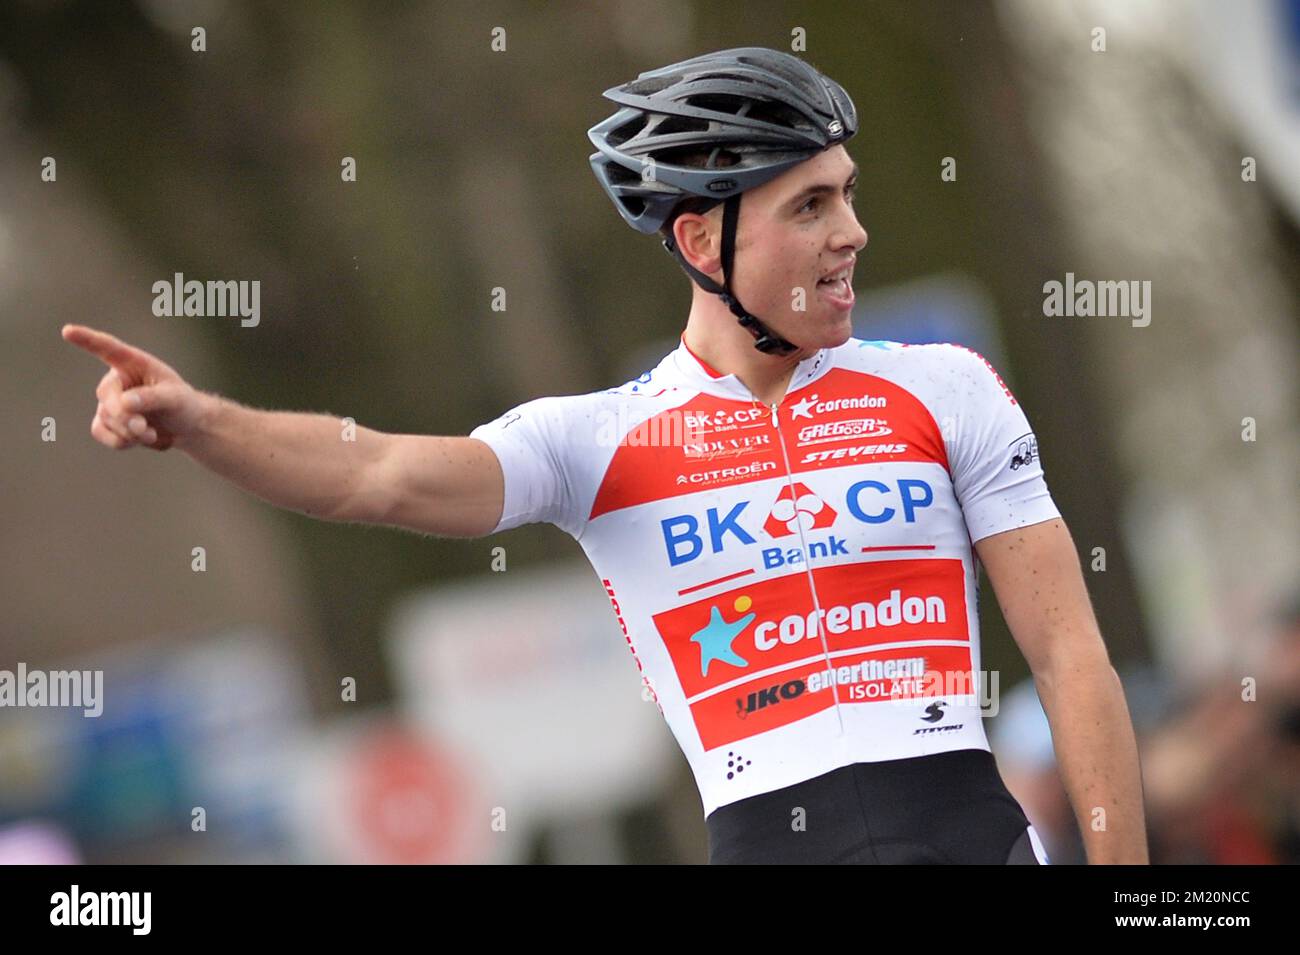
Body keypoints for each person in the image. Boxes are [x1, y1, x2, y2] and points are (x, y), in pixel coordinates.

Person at [63, 47, 1147, 864]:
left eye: (850, 194)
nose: (851, 231)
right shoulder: (594, 440)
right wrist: (201, 419)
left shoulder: (942, 387)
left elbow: (1069, 661)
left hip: (969, 831)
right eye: (810, 204)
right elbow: (373, 472)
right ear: (699, 240)